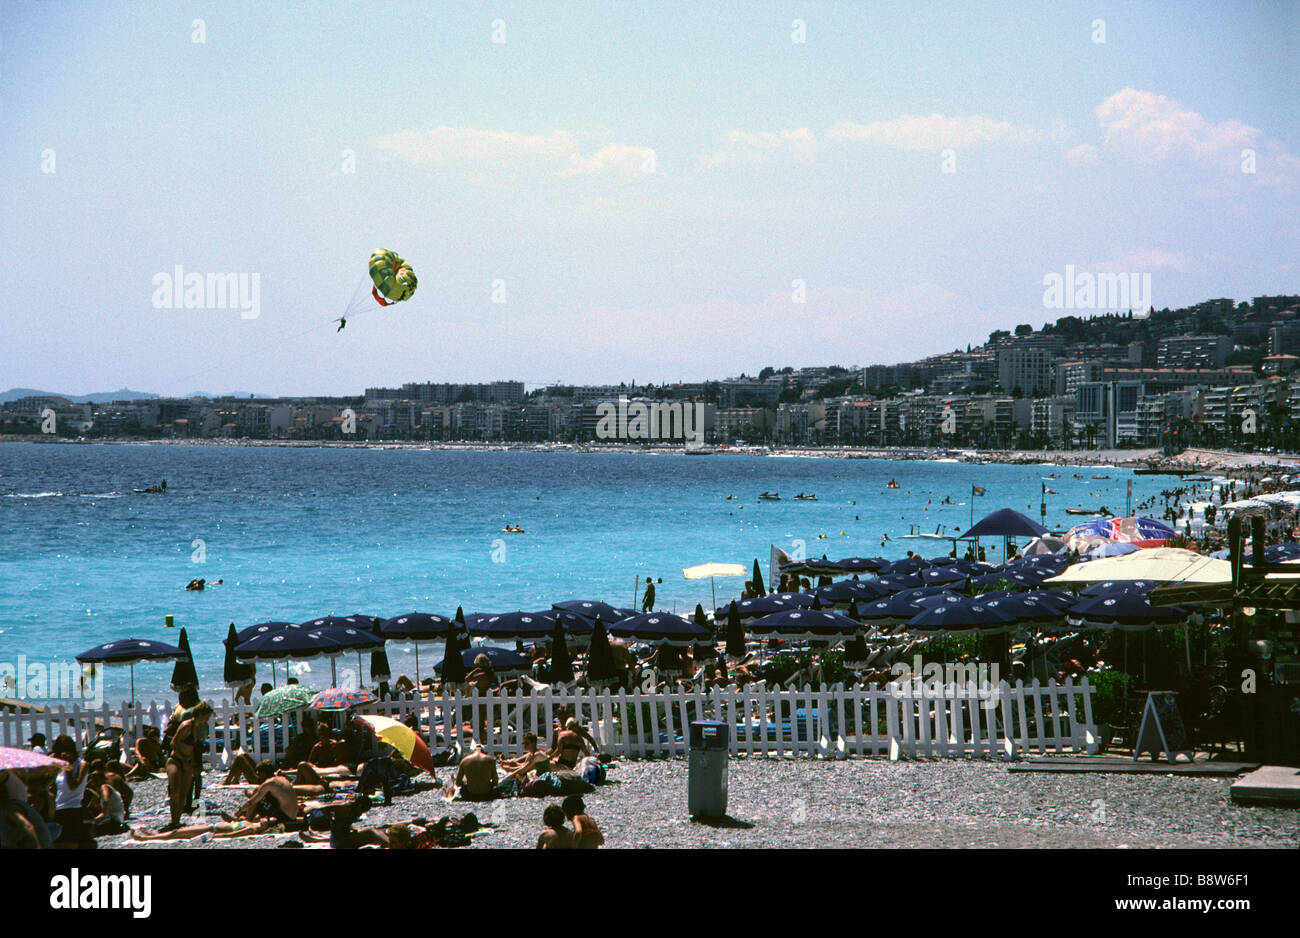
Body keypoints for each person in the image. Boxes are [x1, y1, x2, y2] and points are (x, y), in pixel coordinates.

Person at [164, 701, 212, 831]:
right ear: (201, 714)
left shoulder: (196, 728)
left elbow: (192, 747)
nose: (207, 719)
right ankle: (173, 820)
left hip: (187, 762)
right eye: (206, 716)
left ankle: (177, 821)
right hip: (176, 760)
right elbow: (174, 743)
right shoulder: (186, 726)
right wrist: (184, 758)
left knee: (183, 793)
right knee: (175, 791)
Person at [50, 735, 92, 848]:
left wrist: (68, 766)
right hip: (59, 808)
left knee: (70, 843)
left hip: (73, 808)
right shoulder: (60, 766)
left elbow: (74, 785)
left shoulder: (81, 764)